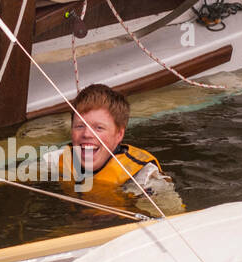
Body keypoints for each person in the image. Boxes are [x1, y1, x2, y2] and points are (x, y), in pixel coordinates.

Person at [38, 83, 172, 203]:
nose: (86, 134)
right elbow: (20, 174)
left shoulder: (143, 176)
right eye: (80, 126)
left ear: (119, 134)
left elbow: (174, 221)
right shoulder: (57, 159)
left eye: (99, 128)